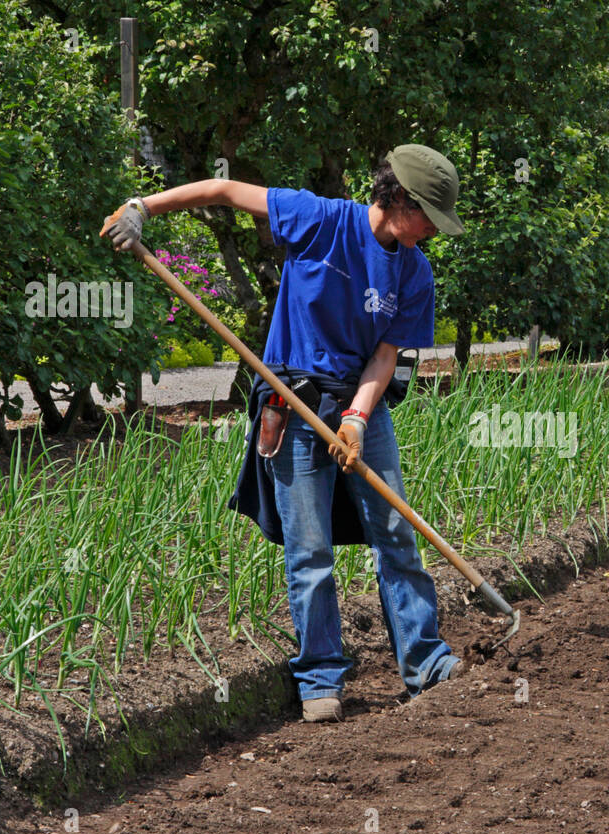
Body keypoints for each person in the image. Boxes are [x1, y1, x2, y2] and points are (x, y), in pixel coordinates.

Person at [101, 144, 467, 723]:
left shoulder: (414, 271)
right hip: (291, 405)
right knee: (310, 548)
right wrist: (142, 206)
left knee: (396, 533)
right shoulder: (321, 219)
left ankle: (425, 662)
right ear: (398, 196)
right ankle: (321, 677)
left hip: (358, 411)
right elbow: (223, 191)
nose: (430, 231)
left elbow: (384, 357)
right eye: (427, 215)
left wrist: (355, 419)